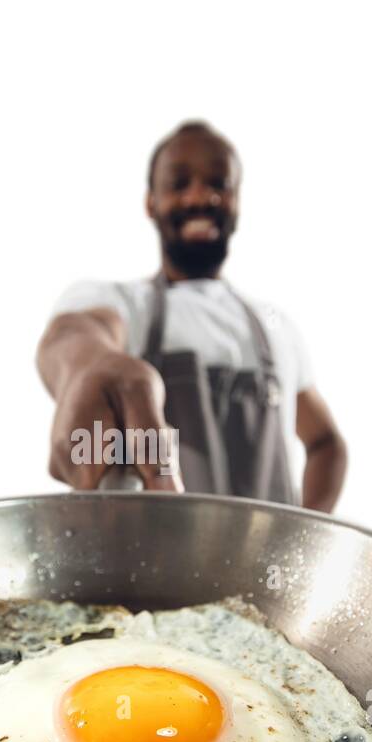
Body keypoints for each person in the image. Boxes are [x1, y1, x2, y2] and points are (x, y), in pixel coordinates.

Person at [36, 120, 347, 510]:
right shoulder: (122, 302)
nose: (200, 196)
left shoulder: (277, 329)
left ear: (237, 201)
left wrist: (308, 537)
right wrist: (89, 366)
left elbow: (326, 443)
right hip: (143, 570)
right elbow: (73, 334)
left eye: (218, 183)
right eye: (179, 184)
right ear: (150, 202)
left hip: (263, 574)